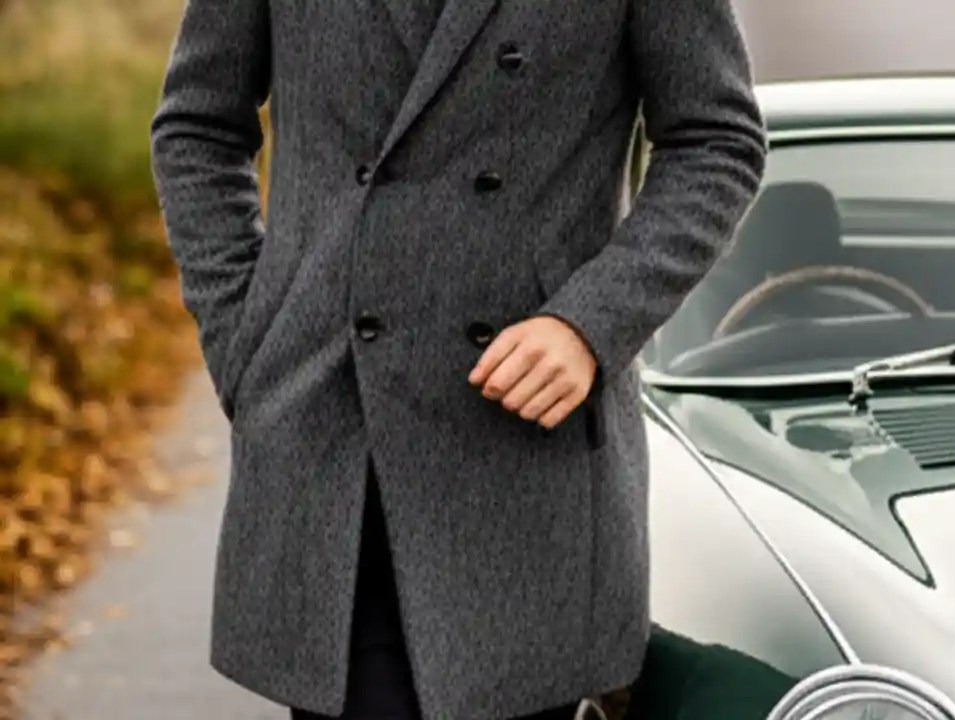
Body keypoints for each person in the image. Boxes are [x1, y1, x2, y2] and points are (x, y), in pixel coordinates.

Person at [148, 1, 767, 719]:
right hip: (336, 440)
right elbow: (197, 127)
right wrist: (247, 337)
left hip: (523, 452)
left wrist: (591, 322)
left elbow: (715, 141)